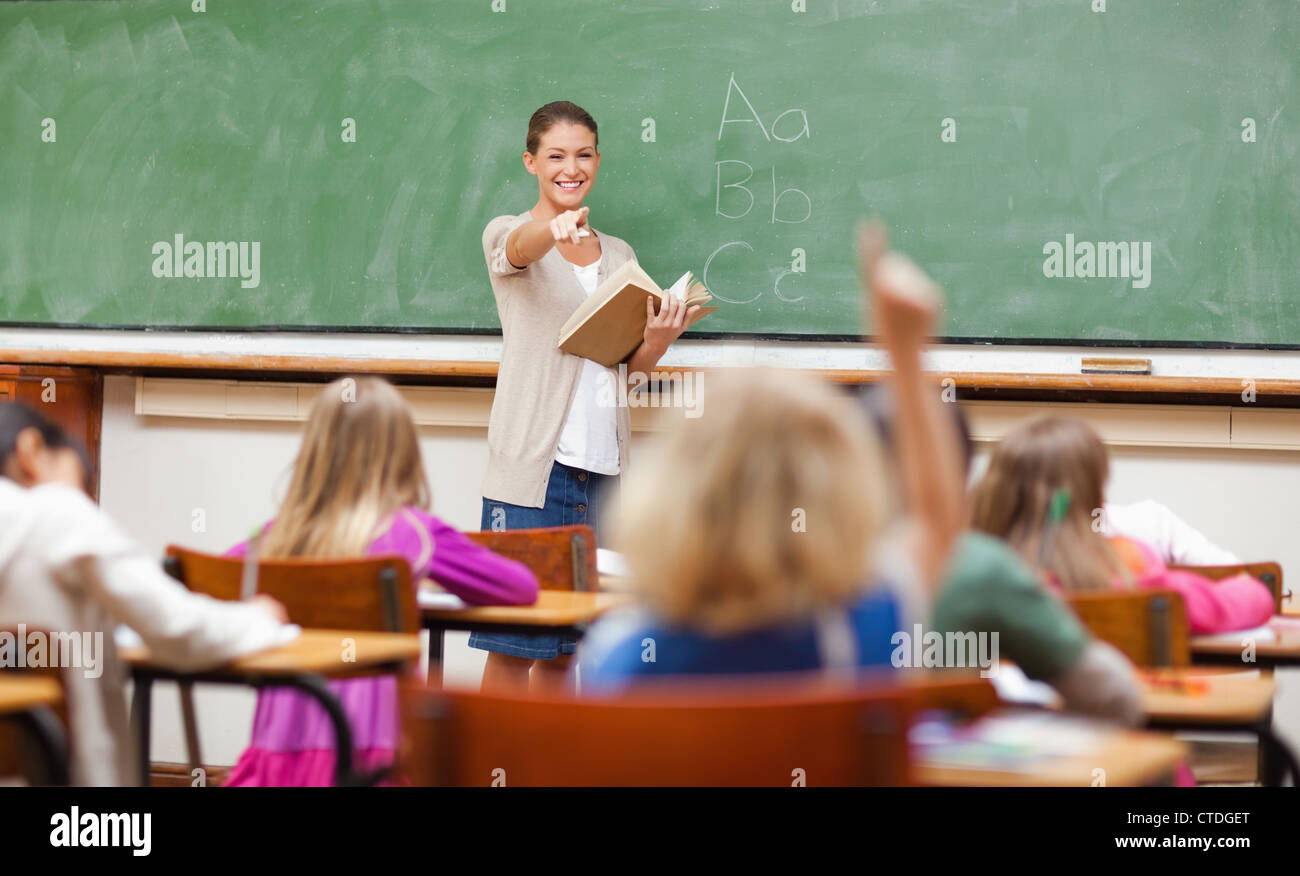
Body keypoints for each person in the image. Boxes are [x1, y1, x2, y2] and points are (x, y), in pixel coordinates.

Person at [581, 223, 967, 688]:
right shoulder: (865, 634)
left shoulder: (619, 659)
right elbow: (936, 523)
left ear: (669, 493)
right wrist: (906, 350)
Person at [475, 100, 698, 692]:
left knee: (566, 653)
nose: (570, 168)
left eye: (583, 155)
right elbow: (515, 250)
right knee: (513, 643)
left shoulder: (620, 255)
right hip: (531, 477)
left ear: (598, 160)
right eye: (555, 156)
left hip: (601, 473)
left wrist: (657, 340)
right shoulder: (509, 232)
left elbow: (624, 372)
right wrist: (552, 229)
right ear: (531, 162)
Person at [222, 377, 538, 786]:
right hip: (376, 763)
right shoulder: (415, 535)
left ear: (316, 452)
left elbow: (211, 584)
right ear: (403, 455)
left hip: (277, 757)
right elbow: (520, 587)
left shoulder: (276, 537)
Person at [0, 403, 289, 785]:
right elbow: (180, 629)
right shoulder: (56, 513)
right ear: (30, 451)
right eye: (76, 483)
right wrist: (259, 619)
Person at [969, 417, 1274, 635]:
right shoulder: (1137, 583)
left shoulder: (973, 586)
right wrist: (1245, 585)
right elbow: (1254, 597)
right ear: (1096, 496)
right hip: (1122, 723)